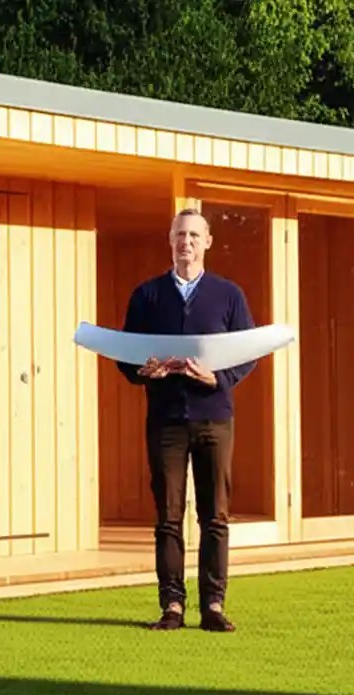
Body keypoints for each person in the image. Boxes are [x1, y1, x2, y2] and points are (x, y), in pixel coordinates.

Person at [116, 206, 256, 632]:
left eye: (195, 236)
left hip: (215, 419)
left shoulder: (228, 295)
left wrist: (219, 377)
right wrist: (142, 372)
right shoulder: (147, 296)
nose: (187, 243)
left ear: (208, 242)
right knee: (168, 517)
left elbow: (247, 353)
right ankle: (172, 606)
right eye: (180, 235)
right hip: (166, 422)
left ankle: (213, 605)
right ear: (170, 241)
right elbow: (126, 358)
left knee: (215, 516)